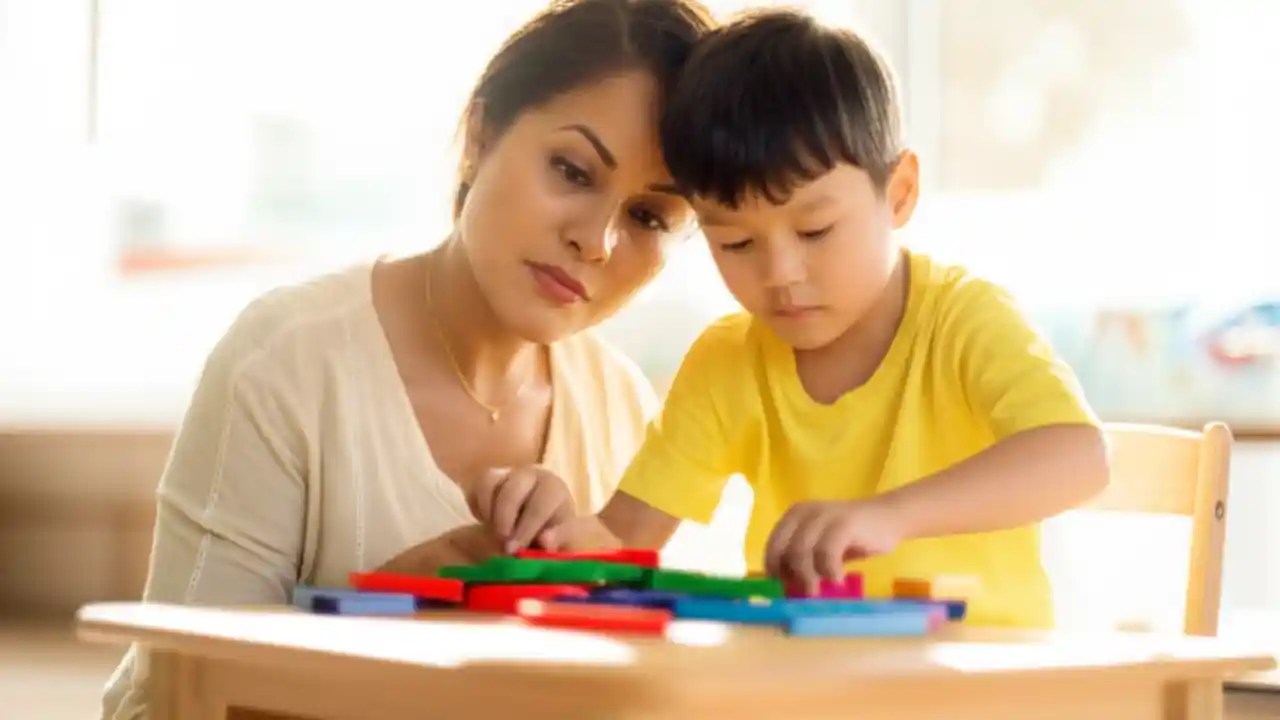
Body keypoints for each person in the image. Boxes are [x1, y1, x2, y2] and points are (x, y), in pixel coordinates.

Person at [102, 0, 715, 715]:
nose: (599, 241)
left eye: (649, 218)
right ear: (480, 137)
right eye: (573, 171)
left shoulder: (623, 411)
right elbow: (173, 695)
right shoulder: (286, 363)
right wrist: (378, 616)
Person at [485, 9, 1110, 628]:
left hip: (982, 682)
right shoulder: (729, 362)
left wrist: (889, 515)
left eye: (814, 230)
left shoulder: (963, 321)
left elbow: (1078, 458)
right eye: (735, 243)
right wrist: (558, 527)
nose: (780, 273)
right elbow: (620, 548)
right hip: (808, 684)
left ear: (898, 194)